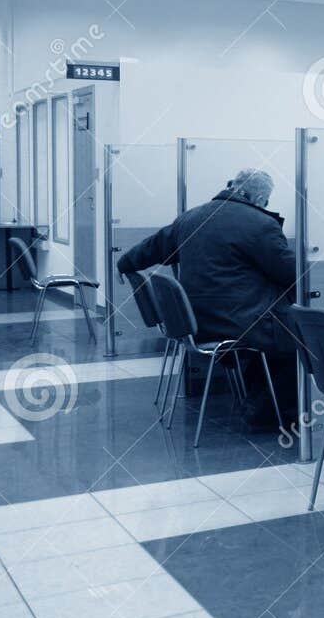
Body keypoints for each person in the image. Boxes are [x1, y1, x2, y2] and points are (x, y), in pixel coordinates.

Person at [118, 168, 298, 429]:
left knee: (276, 332)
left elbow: (151, 248)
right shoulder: (260, 225)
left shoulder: (191, 217)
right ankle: (267, 415)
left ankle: (256, 400)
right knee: (296, 337)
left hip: (196, 322)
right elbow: (291, 272)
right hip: (236, 324)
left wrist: (124, 263)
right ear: (260, 200)